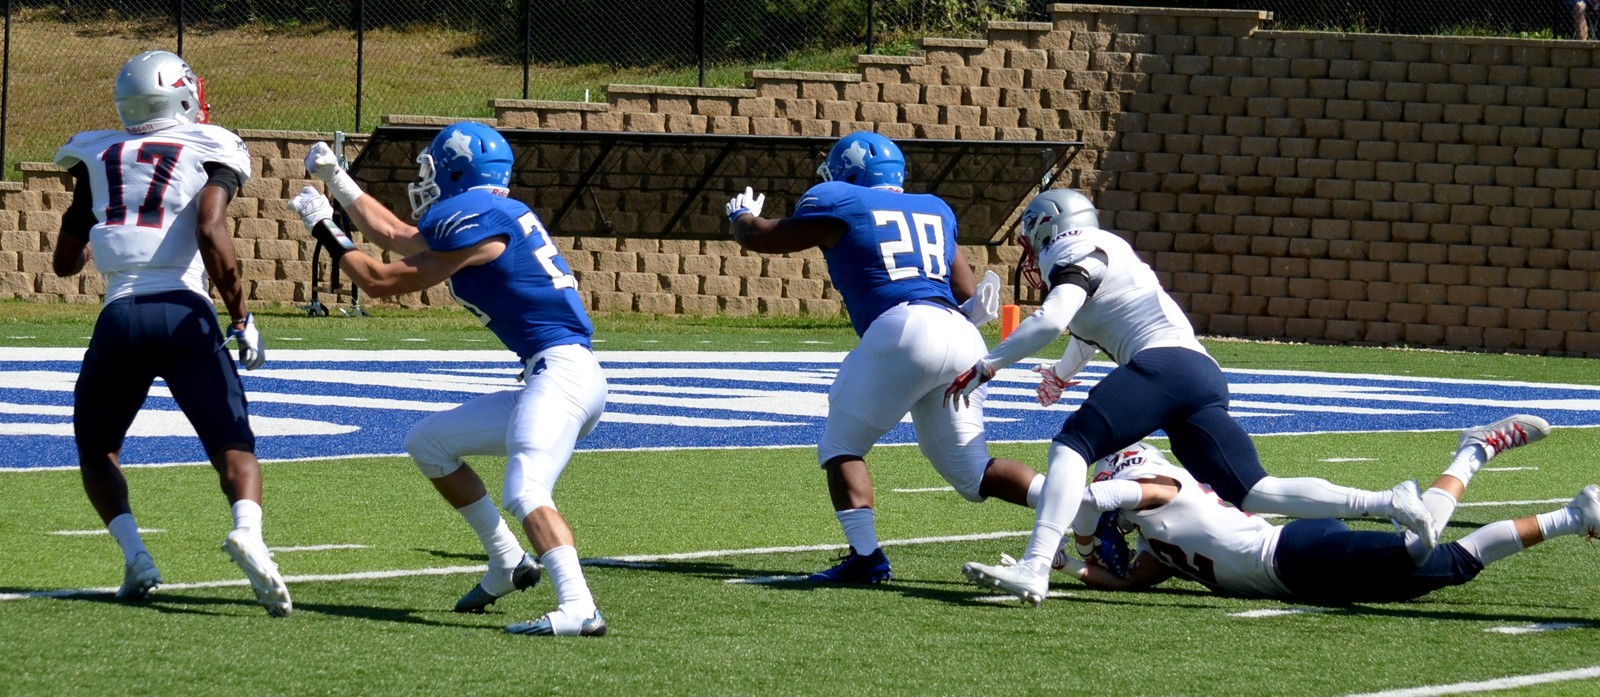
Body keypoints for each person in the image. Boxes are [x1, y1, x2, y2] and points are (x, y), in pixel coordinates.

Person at [951, 188, 1435, 606]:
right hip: (1200, 372)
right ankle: (1391, 501)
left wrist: (989, 364)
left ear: (1049, 226)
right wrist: (1059, 373)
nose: (1032, 254)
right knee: (1252, 490)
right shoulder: (1107, 251)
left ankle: (1036, 564)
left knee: (1072, 446)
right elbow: (1088, 330)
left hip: (1163, 365)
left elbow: (1054, 320)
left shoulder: (1070, 248)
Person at [288, 122, 607, 637]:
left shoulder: (479, 217)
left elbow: (380, 277)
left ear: (459, 171)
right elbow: (397, 236)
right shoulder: (491, 216)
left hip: (562, 373)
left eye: (433, 171)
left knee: (526, 489)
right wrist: (338, 180)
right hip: (556, 373)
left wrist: (324, 225)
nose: (427, 181)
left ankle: (579, 607)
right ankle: (507, 561)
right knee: (429, 443)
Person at [725, 131, 1037, 584]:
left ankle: (867, 559)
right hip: (961, 334)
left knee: (842, 445)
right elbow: (969, 294)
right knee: (972, 474)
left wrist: (742, 217)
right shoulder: (934, 208)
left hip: (904, 330)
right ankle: (1078, 506)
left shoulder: (839, 199)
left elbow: (764, 238)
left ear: (851, 173)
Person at [50, 50, 289, 616]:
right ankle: (248, 533)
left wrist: (96, 236)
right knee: (232, 443)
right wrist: (242, 316)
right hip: (185, 312)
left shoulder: (96, 153)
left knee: (96, 447)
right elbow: (210, 228)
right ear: (182, 96)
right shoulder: (210, 145)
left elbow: (64, 261)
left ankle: (136, 556)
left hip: (121, 315)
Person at [1020, 415, 1582, 605]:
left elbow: (1105, 499)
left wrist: (1084, 531)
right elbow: (1133, 581)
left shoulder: (1163, 486)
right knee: (1427, 548)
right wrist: (1069, 567)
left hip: (1292, 553)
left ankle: (1576, 515)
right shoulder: (1151, 541)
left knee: (1441, 559)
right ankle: (1474, 449)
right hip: (1295, 567)